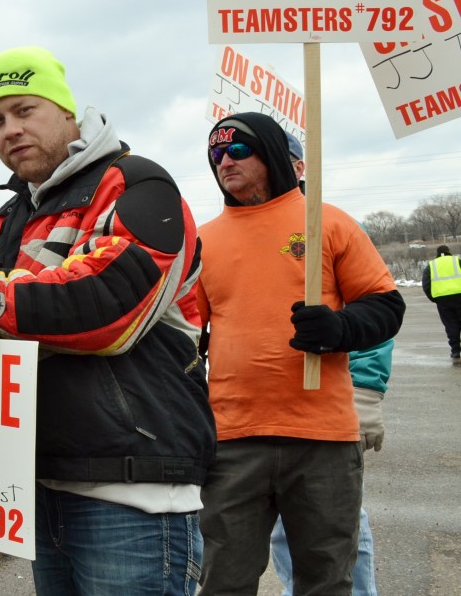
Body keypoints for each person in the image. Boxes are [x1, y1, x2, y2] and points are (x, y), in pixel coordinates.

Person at [0, 46, 214, 595]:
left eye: (24, 110)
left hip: (133, 492)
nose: (10, 130)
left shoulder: (139, 186)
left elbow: (108, 306)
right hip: (37, 488)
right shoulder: (8, 219)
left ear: (66, 111)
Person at [196, 111, 404, 595]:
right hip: (233, 438)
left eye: (238, 149)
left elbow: (385, 305)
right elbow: (186, 335)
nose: (225, 161)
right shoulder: (204, 240)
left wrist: (339, 328)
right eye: (216, 153)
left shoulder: (326, 223)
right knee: (223, 581)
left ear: (272, 153)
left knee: (326, 580)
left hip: (321, 438)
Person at [267, 130, 392, 596]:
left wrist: (366, 392)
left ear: (300, 167)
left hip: (327, 410)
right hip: (264, 413)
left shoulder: (330, 226)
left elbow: (374, 309)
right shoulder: (240, 229)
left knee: (338, 523)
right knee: (284, 529)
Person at [422, 244, 461, 363]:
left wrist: (434, 298)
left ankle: (455, 350)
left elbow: (426, 284)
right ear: (449, 252)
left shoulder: (431, 265)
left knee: (451, 325)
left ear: (437, 254)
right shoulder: (457, 260)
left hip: (443, 300)